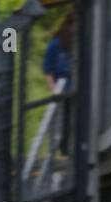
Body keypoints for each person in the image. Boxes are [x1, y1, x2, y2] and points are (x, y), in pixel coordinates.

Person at [42, 13, 74, 154]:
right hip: (61, 86)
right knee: (60, 121)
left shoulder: (77, 43)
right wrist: (53, 86)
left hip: (74, 86)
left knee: (72, 120)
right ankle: (57, 148)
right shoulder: (56, 44)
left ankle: (68, 148)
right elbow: (48, 68)